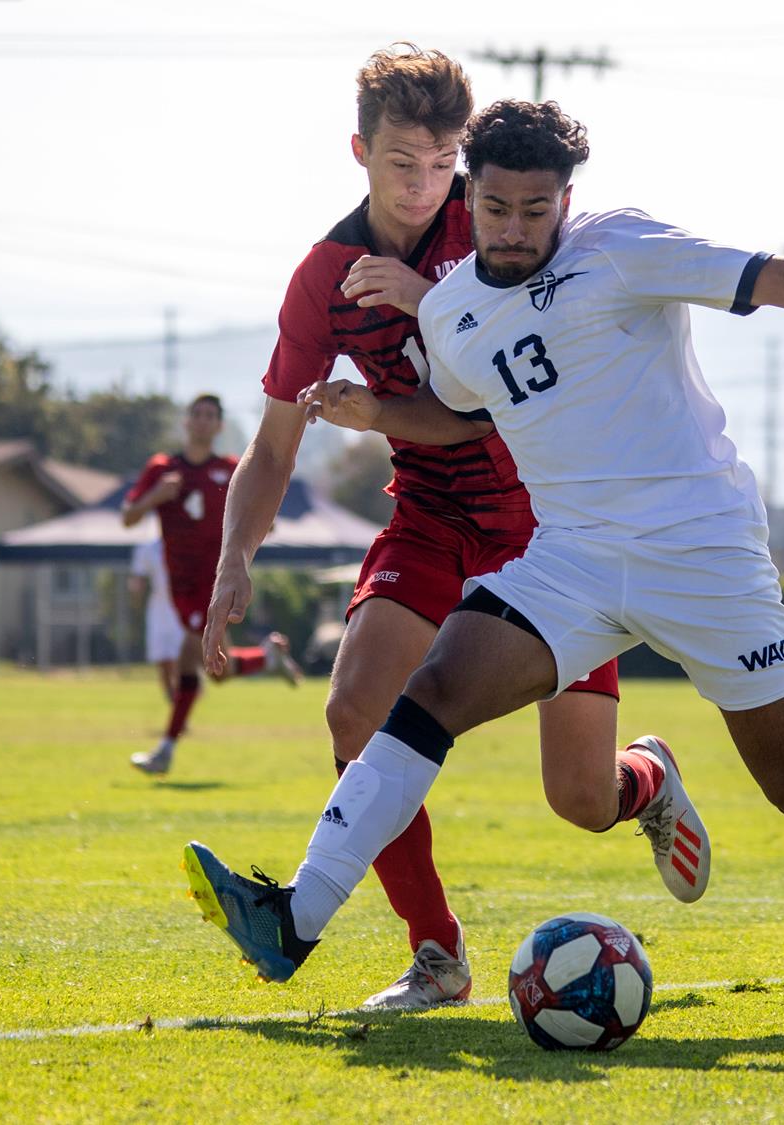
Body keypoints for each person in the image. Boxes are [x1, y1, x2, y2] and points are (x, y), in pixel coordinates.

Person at [183, 98, 784, 991]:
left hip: (703, 554)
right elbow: (461, 413)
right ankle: (296, 919)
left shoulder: (622, 247)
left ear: (565, 199)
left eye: (537, 209)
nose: (514, 230)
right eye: (497, 209)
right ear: (470, 198)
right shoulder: (453, 312)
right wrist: (380, 416)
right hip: (573, 558)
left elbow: (782, 278)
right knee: (427, 695)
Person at [195, 49, 708, 1012]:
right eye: (402, 163)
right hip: (429, 517)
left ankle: (649, 778)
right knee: (354, 713)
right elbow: (271, 446)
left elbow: (492, 400)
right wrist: (233, 557)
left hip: (547, 528)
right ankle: (438, 953)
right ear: (359, 151)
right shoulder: (324, 276)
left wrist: (423, 306)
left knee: (581, 798)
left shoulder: (505, 237)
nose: (426, 185)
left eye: (441, 166)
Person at [121, 393, 300, 777]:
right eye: (196, 414)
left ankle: (165, 750)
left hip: (216, 580)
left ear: (219, 426)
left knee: (193, 657)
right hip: (179, 584)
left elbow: (265, 517)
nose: (202, 421)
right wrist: (156, 496)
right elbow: (128, 517)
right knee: (215, 668)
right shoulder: (162, 467)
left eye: (210, 416)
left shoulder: (232, 469)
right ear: (185, 422)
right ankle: (266, 658)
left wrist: (252, 530)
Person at [129, 537, 182, 702]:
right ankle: (175, 703)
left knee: (181, 661)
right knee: (163, 662)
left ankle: (185, 701)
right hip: (159, 612)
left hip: (182, 610)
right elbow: (138, 579)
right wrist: (136, 591)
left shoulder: (186, 543)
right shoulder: (148, 549)